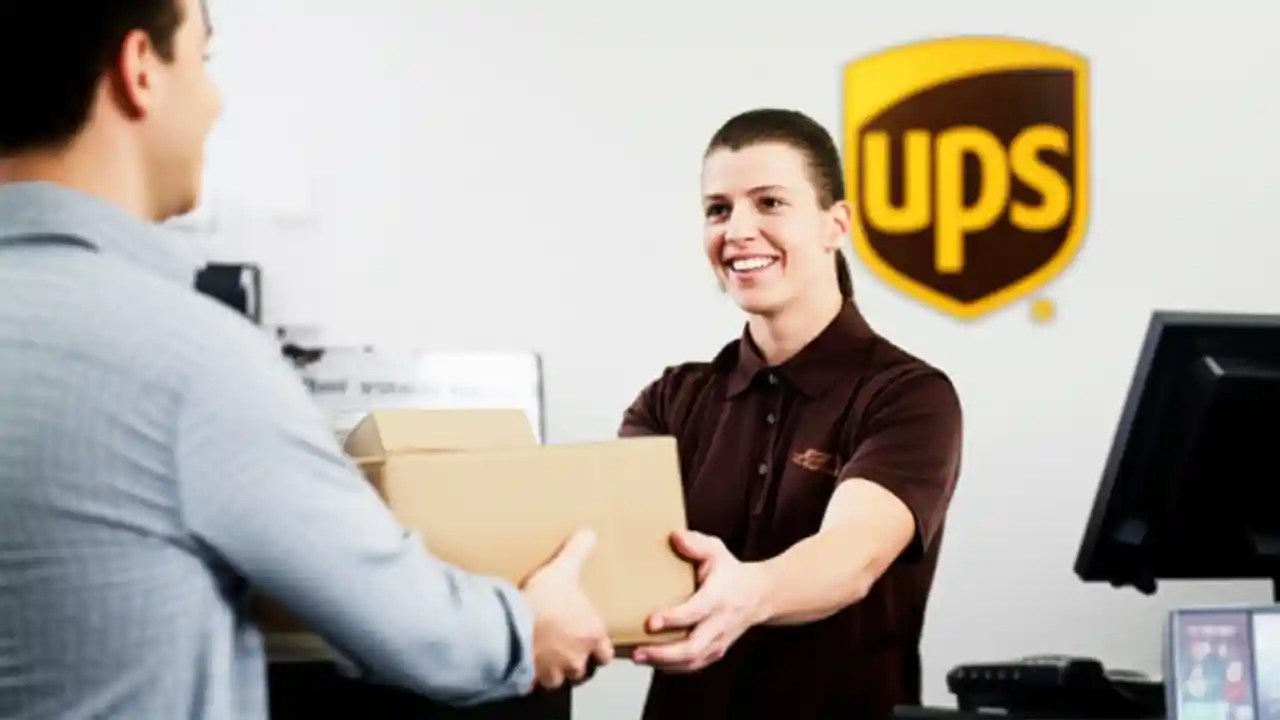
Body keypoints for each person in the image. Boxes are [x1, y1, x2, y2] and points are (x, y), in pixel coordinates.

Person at [0, 1, 612, 718]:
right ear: (141, 71)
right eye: (204, 60)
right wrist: (531, 626)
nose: (216, 99)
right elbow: (417, 628)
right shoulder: (193, 363)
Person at [619, 108, 964, 720]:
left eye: (770, 203)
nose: (737, 230)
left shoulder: (908, 396)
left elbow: (854, 555)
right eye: (718, 209)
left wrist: (746, 594)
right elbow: (618, 557)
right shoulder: (670, 401)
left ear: (837, 225)